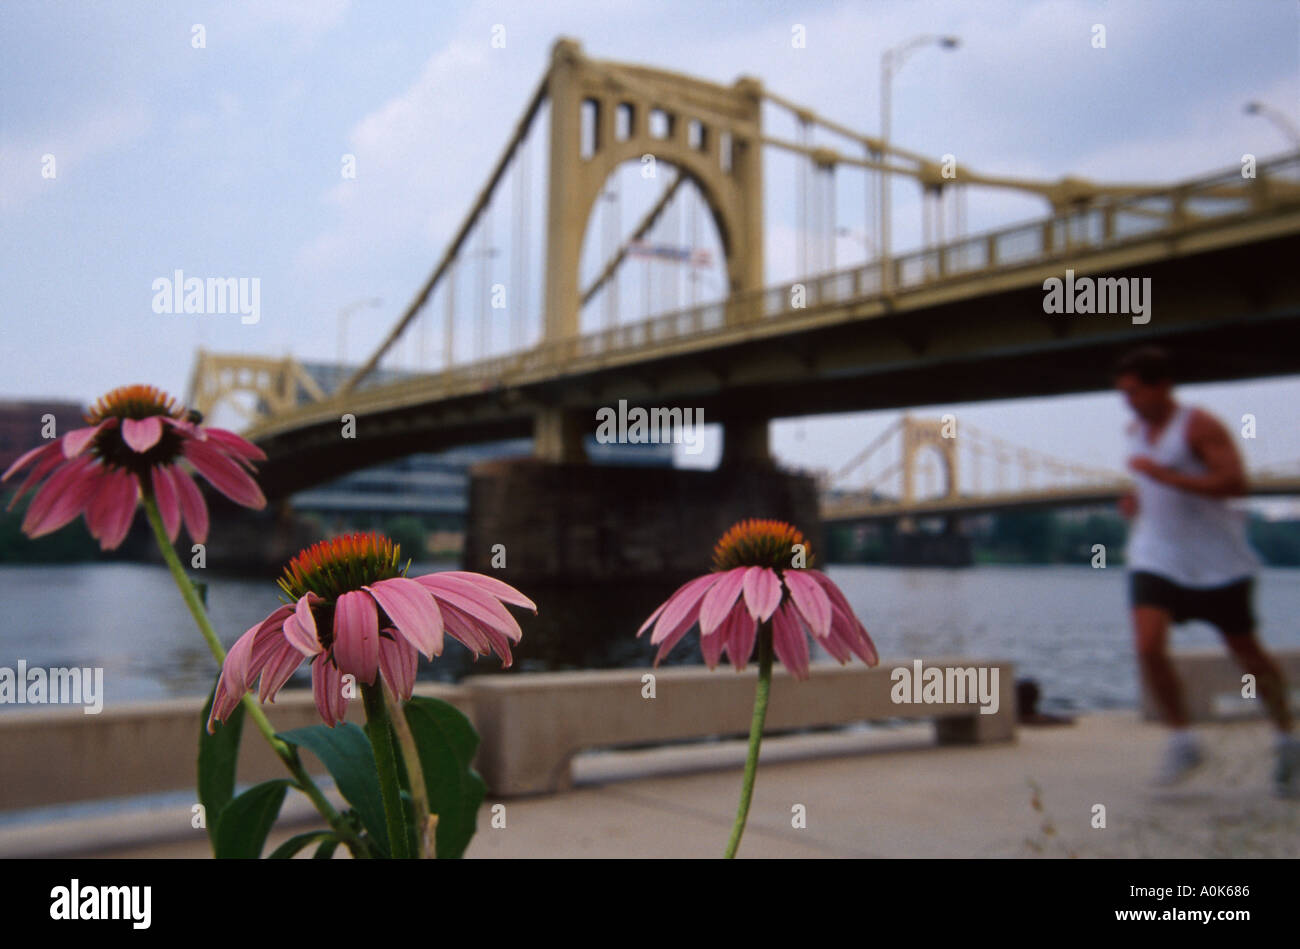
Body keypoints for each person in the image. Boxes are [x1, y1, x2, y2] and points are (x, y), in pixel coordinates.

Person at [1114, 346, 1297, 795]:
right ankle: (1182, 738)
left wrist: (1165, 478)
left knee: (1246, 653)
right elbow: (1153, 484)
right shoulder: (1137, 429)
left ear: (1162, 387)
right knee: (1148, 645)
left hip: (1218, 562)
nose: (1128, 402)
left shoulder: (1199, 426)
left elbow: (1235, 482)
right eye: (1123, 393)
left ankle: (1287, 738)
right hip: (1156, 556)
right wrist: (1140, 501)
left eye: (1135, 392)